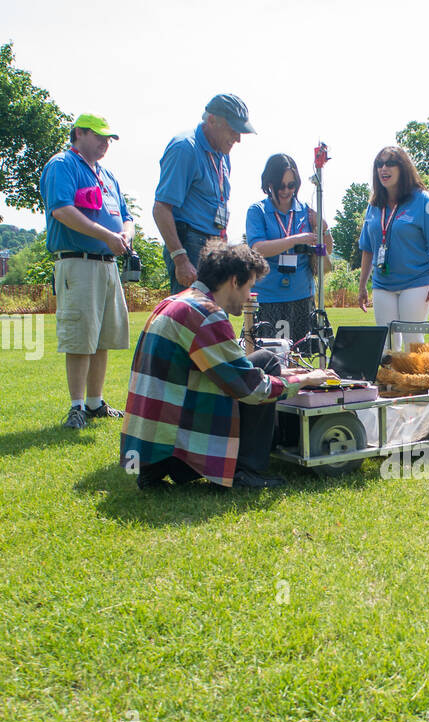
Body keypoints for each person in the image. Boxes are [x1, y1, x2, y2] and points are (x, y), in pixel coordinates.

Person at [119, 242, 328, 490]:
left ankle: (156, 472)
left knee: (265, 363)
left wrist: (284, 373)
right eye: (249, 286)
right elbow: (251, 389)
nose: (249, 296)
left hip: (150, 450)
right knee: (266, 363)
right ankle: (248, 471)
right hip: (177, 449)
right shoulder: (207, 314)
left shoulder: (176, 302)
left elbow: (216, 366)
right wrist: (304, 380)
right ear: (233, 281)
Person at [38, 113, 134, 430]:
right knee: (80, 337)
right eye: (99, 136)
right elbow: (62, 210)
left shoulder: (106, 175)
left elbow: (126, 215)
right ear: (79, 134)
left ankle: (95, 403)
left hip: (108, 265)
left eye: (109, 138)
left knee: (102, 337)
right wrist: (106, 235)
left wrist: (125, 234)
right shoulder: (62, 165)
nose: (105, 143)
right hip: (77, 262)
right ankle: (76, 406)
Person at [154, 94, 255, 295]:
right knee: (192, 319)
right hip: (190, 245)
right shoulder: (185, 148)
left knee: (214, 316)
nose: (238, 138)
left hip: (215, 245)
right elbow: (161, 209)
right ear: (211, 120)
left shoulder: (223, 155)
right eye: (233, 129)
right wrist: (180, 259)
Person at [357, 146, 429, 349]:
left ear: (403, 168)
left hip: (416, 283)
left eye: (390, 163)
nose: (384, 169)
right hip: (382, 285)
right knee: (387, 347)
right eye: (379, 164)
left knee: (412, 344)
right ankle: (390, 382)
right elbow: (367, 249)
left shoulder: (423, 201)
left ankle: (417, 381)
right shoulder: (374, 205)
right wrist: (362, 285)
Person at [245, 153, 333, 343]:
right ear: (269, 184)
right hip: (268, 297)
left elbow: (328, 250)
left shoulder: (306, 210)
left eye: (291, 185)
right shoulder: (257, 211)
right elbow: (257, 249)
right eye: (280, 186)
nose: (286, 191)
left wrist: (323, 228)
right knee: (271, 357)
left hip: (302, 296)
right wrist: (295, 240)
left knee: (301, 357)